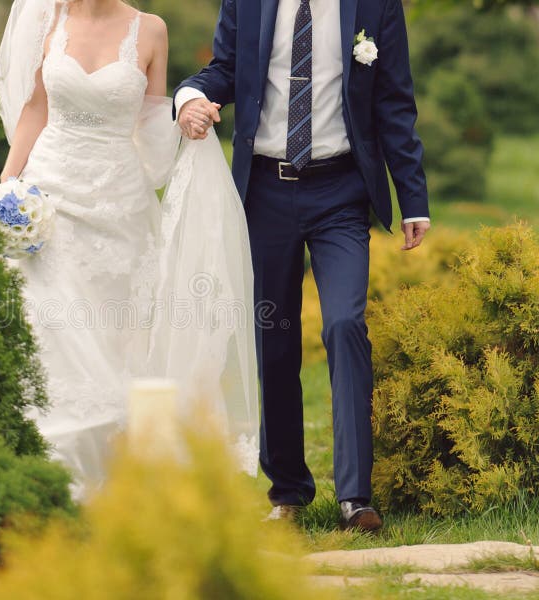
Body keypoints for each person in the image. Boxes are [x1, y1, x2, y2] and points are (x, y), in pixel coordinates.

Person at [175, 0, 431, 531]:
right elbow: (225, 68)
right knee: (276, 338)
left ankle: (354, 497)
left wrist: (414, 198)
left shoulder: (376, 5)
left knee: (344, 323)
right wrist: (191, 97)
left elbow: (394, 100)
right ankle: (288, 493)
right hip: (266, 192)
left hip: (341, 190)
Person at [0, 0, 259, 500]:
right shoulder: (47, 22)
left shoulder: (151, 31)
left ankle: (119, 472)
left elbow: (151, 127)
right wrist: (9, 186)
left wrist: (189, 120)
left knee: (119, 335)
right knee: (50, 328)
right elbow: (35, 108)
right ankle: (47, 469)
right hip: (51, 200)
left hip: (120, 208)